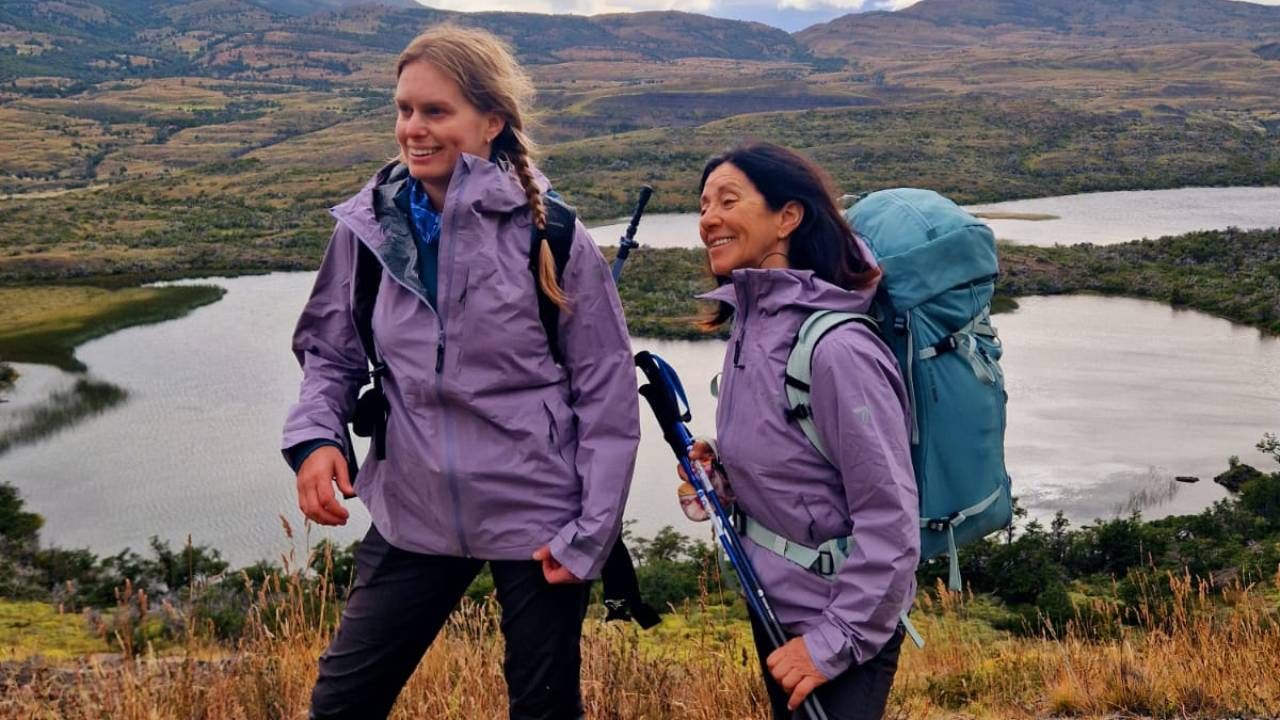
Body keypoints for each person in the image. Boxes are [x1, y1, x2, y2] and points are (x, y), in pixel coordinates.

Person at [281, 25, 640, 720]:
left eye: (435, 112)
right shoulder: (370, 228)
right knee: (341, 705)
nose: (413, 129)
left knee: (543, 710)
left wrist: (591, 533)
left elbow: (606, 394)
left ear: (492, 121)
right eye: (404, 110)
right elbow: (329, 352)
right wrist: (317, 438)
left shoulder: (553, 236)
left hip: (536, 514)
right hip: (413, 504)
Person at [680, 142, 919, 720]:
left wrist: (832, 643)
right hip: (777, 606)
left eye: (728, 200)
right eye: (704, 203)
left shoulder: (839, 350)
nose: (708, 217)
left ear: (788, 217)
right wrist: (723, 473)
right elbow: (797, 463)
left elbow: (891, 518)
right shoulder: (751, 325)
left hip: (837, 625)